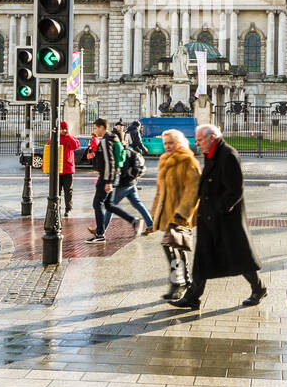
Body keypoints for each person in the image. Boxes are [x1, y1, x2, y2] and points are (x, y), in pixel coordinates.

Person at [170, 124, 267, 310]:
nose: (196, 144)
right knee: (203, 257)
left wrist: (219, 208)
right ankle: (193, 297)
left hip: (225, 218)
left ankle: (258, 288)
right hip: (209, 216)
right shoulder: (212, 153)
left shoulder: (228, 155)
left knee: (240, 257)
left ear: (212, 137)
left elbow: (235, 189)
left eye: (199, 140)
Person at [152, 129, 200, 300]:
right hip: (167, 212)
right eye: (165, 143)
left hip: (180, 213)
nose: (167, 146)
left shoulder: (188, 161)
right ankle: (181, 281)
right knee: (173, 246)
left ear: (179, 143)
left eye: (171, 142)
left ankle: (180, 282)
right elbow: (160, 190)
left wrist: (182, 214)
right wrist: (154, 213)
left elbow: (193, 190)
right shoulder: (165, 160)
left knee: (175, 246)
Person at [104, 123, 154, 234]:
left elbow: (121, 169)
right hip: (132, 182)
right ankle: (150, 224)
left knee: (110, 206)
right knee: (137, 203)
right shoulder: (128, 149)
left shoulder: (120, 151)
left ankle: (101, 230)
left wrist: (114, 181)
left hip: (124, 183)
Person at [85, 118, 120, 243]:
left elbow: (109, 161)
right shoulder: (110, 138)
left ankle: (100, 234)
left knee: (97, 203)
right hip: (110, 176)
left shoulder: (105, 140)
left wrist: (108, 181)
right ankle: (101, 232)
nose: (95, 130)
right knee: (109, 205)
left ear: (101, 127)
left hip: (106, 178)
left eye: (95, 127)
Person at [54, 121, 79, 220]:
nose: (63, 130)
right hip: (57, 170)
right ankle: (57, 209)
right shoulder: (55, 138)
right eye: (62, 128)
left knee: (68, 191)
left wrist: (68, 136)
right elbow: (48, 149)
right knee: (57, 192)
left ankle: (68, 209)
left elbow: (75, 146)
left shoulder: (71, 138)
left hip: (68, 170)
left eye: (65, 128)